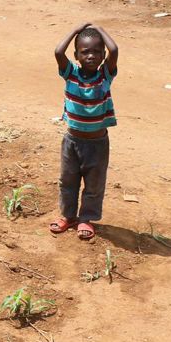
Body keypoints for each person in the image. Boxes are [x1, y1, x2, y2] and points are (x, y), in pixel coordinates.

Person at [50, 23, 120, 241]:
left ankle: (86, 219)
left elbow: (115, 50)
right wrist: (75, 30)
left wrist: (100, 28)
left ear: (102, 55)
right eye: (85, 51)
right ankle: (68, 216)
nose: (91, 56)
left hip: (98, 143)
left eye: (97, 51)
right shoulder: (70, 73)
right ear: (77, 55)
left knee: (94, 184)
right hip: (72, 141)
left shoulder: (105, 76)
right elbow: (58, 51)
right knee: (67, 181)